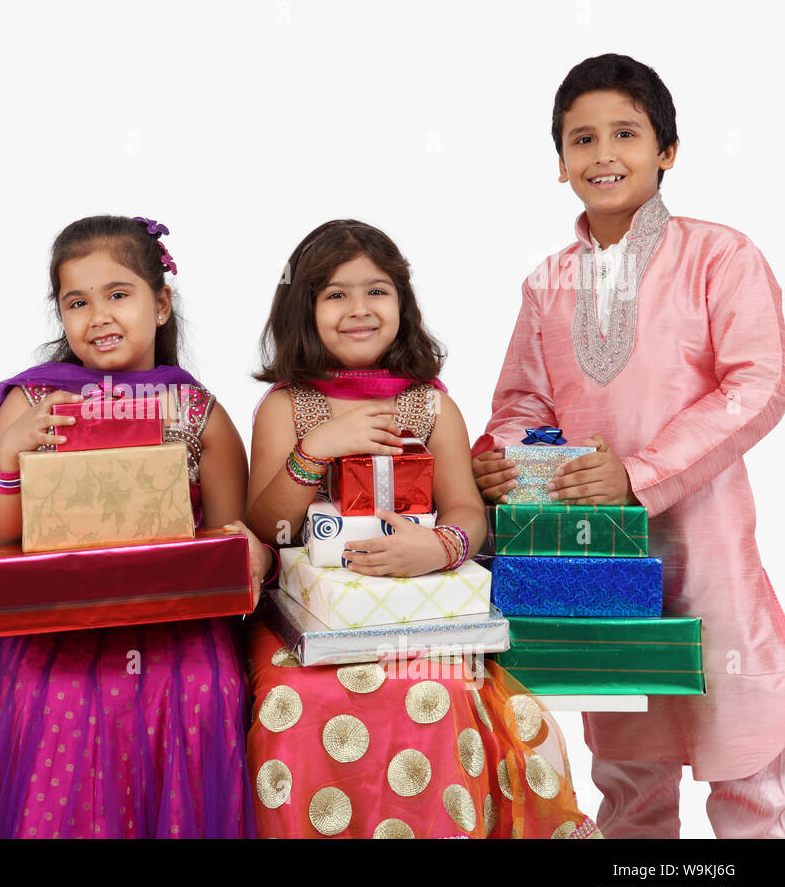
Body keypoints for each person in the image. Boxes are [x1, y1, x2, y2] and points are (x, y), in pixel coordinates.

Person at [474, 53, 785, 839]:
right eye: (582, 139)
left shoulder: (722, 256)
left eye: (625, 134)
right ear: (560, 164)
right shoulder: (548, 281)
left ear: (667, 152)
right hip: (596, 553)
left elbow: (760, 385)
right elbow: (521, 403)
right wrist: (503, 459)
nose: (603, 155)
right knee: (627, 776)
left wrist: (640, 475)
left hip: (706, 543)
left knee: (746, 765)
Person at [245, 219, 597, 838]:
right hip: (309, 625)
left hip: (416, 617)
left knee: (433, 696)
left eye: (377, 291)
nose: (359, 309)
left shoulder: (430, 404)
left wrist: (438, 547)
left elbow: (467, 512)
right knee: (295, 705)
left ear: (402, 304)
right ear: (304, 309)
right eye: (335, 294)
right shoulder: (287, 405)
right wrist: (316, 449)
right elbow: (265, 528)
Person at [0, 215, 270, 838]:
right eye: (77, 302)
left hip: (178, 629)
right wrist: (9, 455)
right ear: (60, 315)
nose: (99, 316)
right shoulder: (36, 402)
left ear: (161, 303)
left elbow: (232, 543)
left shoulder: (198, 414)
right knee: (55, 697)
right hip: (59, 627)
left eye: (119, 294)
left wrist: (255, 552)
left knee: (204, 688)